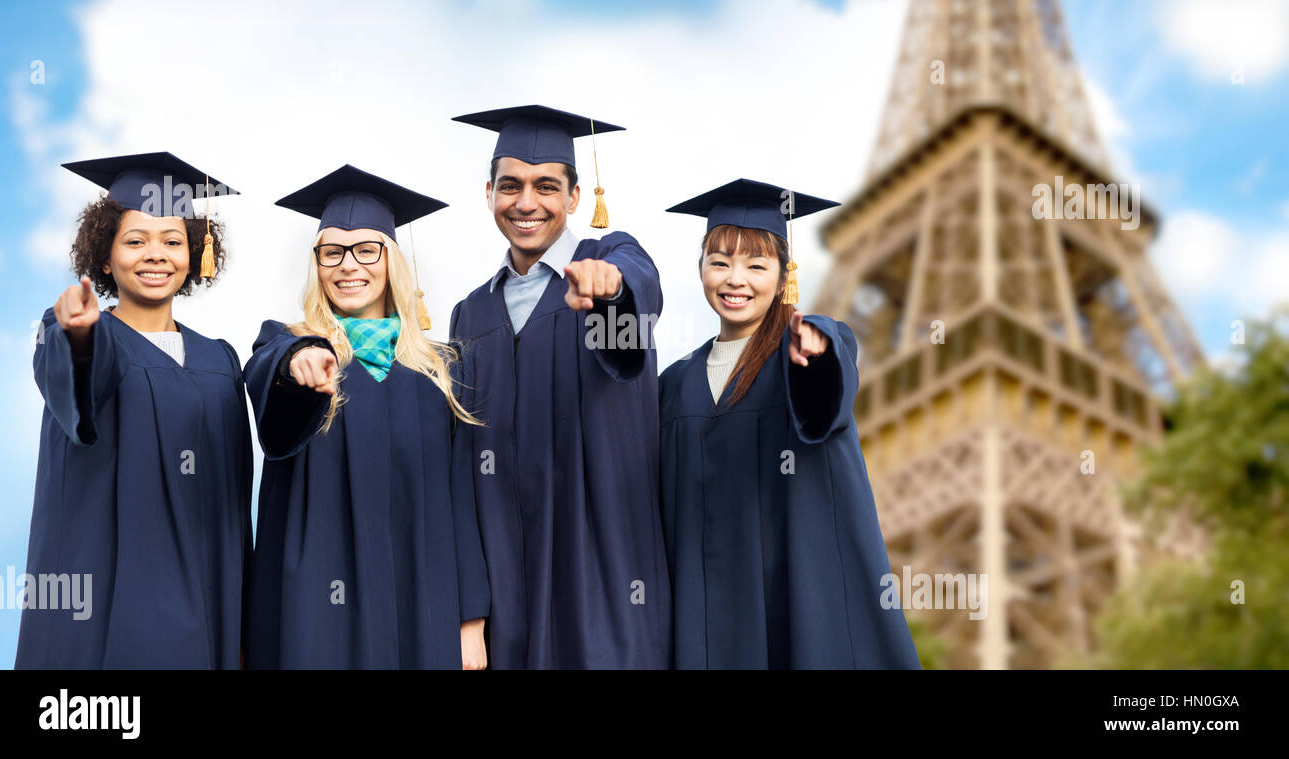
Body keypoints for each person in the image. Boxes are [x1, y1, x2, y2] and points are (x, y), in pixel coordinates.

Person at [660, 178, 920, 669]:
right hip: (704, 623)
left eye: (756, 265)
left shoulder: (802, 353)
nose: (736, 279)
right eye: (719, 262)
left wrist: (816, 352)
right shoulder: (672, 386)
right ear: (700, 271)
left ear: (783, 277)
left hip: (794, 608)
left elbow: (828, 389)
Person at [448, 105, 669, 668]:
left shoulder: (611, 261)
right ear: (489, 192)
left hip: (600, 575)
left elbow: (636, 299)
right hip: (506, 592)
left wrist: (612, 289)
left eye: (547, 186)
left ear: (574, 197)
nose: (526, 203)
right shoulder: (469, 315)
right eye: (510, 186)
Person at [244, 164, 489, 669]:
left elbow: (462, 502)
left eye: (365, 250)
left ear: (391, 260)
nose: (347, 265)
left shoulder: (439, 371)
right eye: (331, 252)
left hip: (421, 601)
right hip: (313, 605)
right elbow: (268, 377)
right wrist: (300, 363)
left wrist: (471, 622)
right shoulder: (286, 344)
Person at [17, 152, 250, 668]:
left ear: (194, 255)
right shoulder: (77, 334)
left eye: (172, 241)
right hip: (109, 605)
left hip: (209, 603)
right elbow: (79, 383)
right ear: (104, 256)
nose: (156, 255)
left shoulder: (220, 359)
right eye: (135, 240)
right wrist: (78, 336)